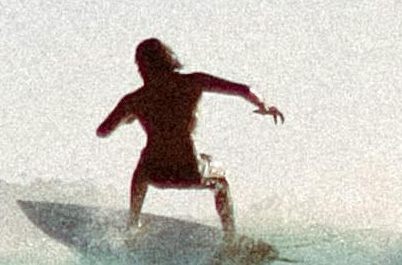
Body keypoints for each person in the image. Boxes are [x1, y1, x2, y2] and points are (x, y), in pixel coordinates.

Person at [98, 36, 284, 240]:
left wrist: (127, 116)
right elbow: (244, 90)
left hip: (156, 172)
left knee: (141, 169)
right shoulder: (193, 82)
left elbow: (103, 131)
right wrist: (264, 106)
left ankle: (133, 225)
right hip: (190, 170)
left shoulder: (134, 99)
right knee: (220, 179)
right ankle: (230, 238)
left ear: (143, 66)